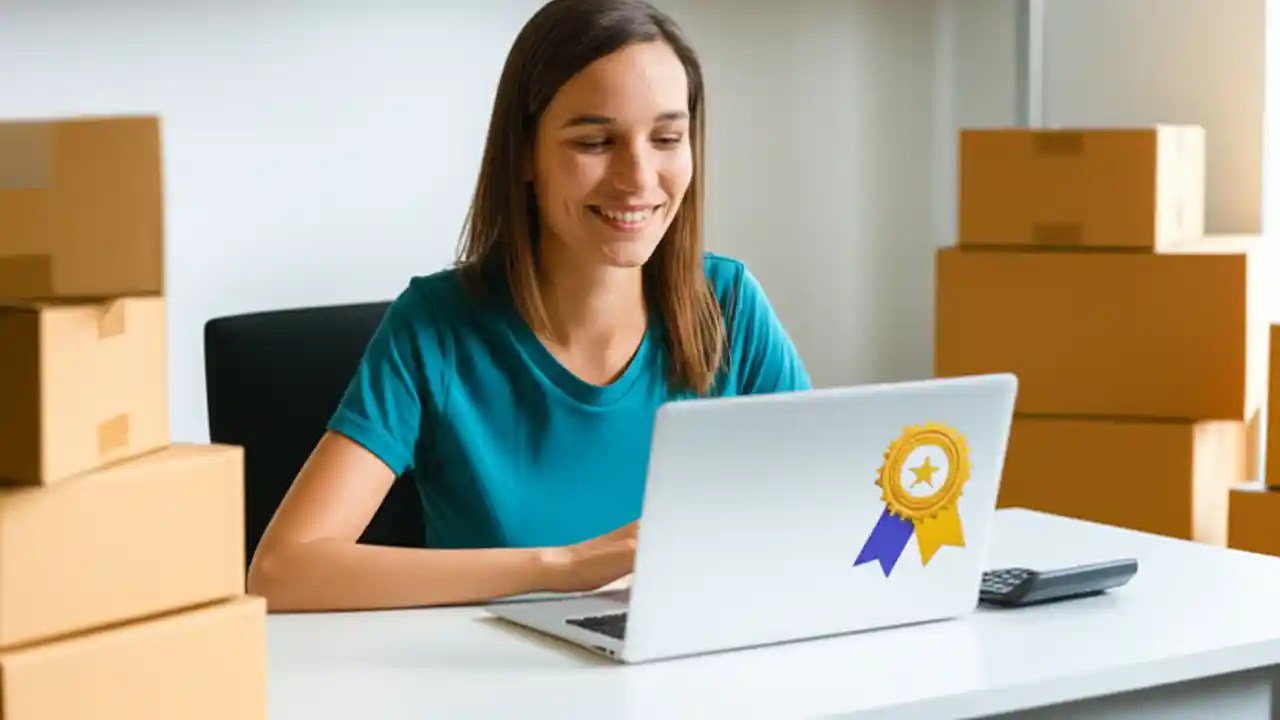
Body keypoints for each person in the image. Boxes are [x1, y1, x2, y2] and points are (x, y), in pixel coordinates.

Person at [246, 0, 810, 612]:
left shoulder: (728, 307)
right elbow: (282, 571)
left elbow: (829, 514)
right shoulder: (434, 328)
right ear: (523, 153)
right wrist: (562, 567)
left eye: (668, 139)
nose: (640, 177)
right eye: (596, 141)